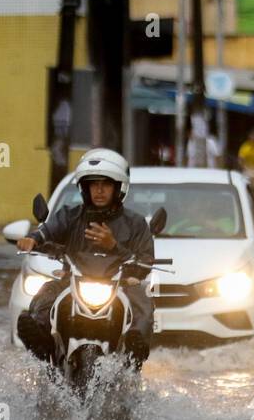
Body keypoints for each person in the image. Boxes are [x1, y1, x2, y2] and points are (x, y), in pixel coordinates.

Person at [14, 148, 155, 370]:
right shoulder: (71, 215)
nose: (99, 190)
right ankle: (42, 341)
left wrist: (114, 246)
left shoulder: (135, 223)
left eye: (105, 184)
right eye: (93, 184)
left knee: (143, 297)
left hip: (120, 285)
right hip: (71, 282)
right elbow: (50, 229)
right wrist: (33, 239)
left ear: (118, 187)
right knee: (46, 291)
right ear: (85, 188)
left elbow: (146, 261)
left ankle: (134, 351)